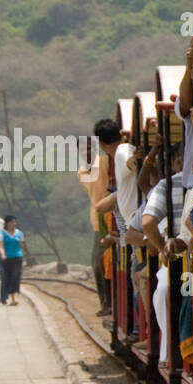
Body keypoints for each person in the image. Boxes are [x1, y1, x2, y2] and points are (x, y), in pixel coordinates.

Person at [85, 119, 120, 315]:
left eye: (89, 149)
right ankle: (105, 303)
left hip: (112, 215)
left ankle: (111, 303)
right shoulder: (83, 172)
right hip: (99, 220)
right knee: (98, 263)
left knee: (106, 262)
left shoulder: (108, 160)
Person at [0, 215, 25, 306]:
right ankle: (12, 298)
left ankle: (16, 297)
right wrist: (2, 254)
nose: (13, 224)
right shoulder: (2, 233)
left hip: (17, 257)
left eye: (14, 222)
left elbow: (21, 245)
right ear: (7, 223)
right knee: (8, 278)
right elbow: (1, 246)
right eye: (11, 222)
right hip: (6, 258)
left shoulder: (19, 233)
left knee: (16, 276)